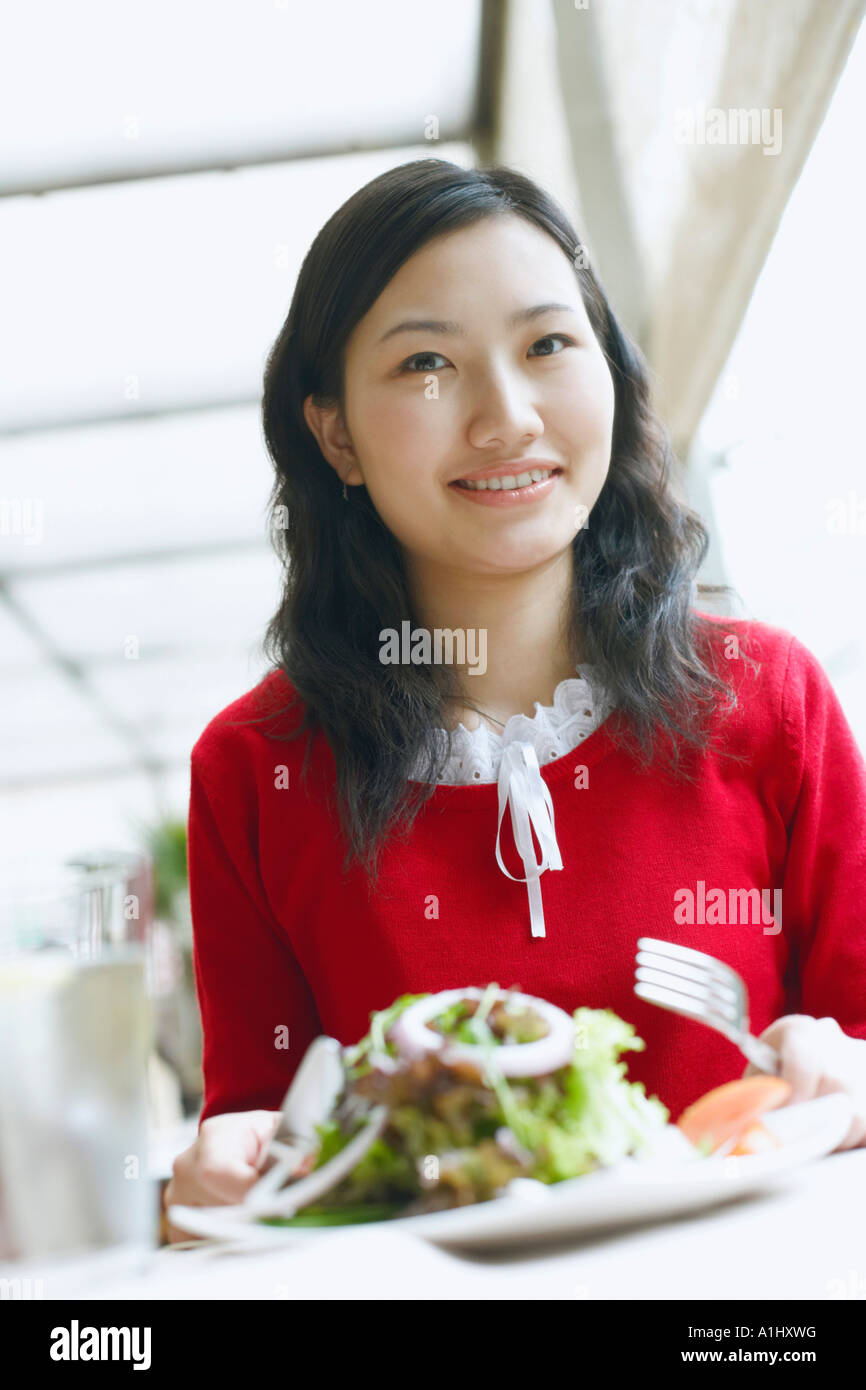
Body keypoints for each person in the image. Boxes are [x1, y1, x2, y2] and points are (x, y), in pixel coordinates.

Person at [164, 159, 866, 1238]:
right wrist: (215, 1178)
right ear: (334, 434)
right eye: (427, 363)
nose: (504, 418)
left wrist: (845, 1071)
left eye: (546, 345)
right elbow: (262, 1152)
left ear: (612, 375)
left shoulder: (768, 698)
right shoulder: (254, 772)